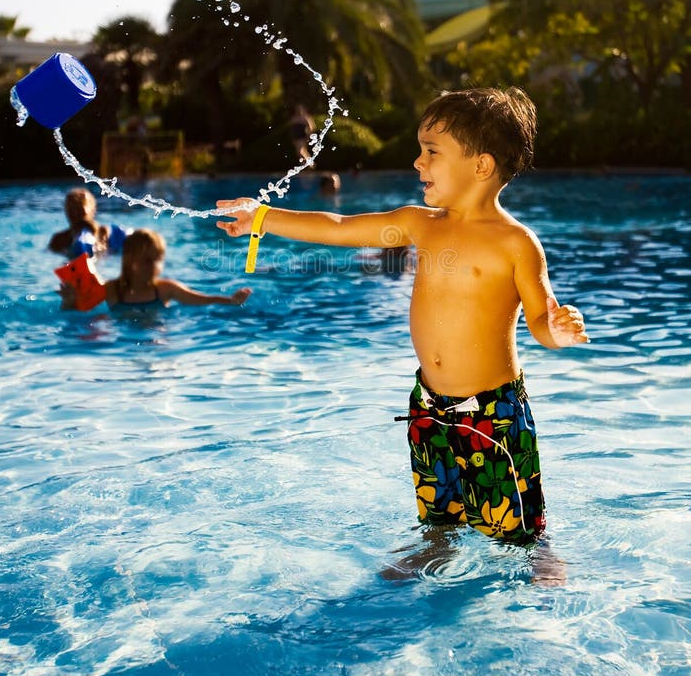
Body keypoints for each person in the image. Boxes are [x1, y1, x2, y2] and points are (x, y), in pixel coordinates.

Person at [216, 88, 588, 546]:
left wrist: (557, 332)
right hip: (428, 405)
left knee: (513, 532)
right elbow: (341, 228)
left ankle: (538, 558)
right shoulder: (420, 223)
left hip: (493, 415)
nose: (418, 162)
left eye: (431, 152)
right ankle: (437, 548)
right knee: (439, 515)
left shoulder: (516, 243)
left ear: (481, 166)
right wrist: (263, 218)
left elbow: (539, 320)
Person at [60, 228, 252, 310]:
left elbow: (200, 299)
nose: (154, 265)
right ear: (129, 261)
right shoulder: (112, 289)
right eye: (146, 260)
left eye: (157, 259)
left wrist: (230, 301)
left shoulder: (165, 289)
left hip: (157, 339)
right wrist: (69, 301)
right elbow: (80, 309)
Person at [48, 188, 129, 258]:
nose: (75, 214)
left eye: (79, 211)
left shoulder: (108, 233)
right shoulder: (59, 239)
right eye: (71, 211)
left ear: (93, 210)